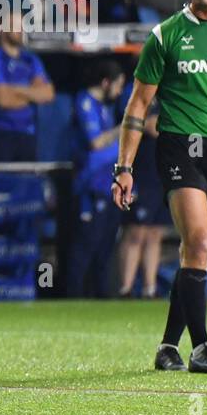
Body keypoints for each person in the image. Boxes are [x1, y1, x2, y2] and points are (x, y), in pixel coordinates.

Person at [113, 0, 207, 373]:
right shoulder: (166, 34)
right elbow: (137, 106)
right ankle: (201, 347)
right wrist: (124, 168)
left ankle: (168, 345)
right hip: (179, 146)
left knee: (197, 252)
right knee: (201, 241)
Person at [67, 59, 127, 297]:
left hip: (107, 183)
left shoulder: (104, 106)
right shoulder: (84, 102)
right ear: (105, 82)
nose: (120, 91)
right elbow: (96, 142)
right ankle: (71, 299)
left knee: (105, 247)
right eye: (118, 85)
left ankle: (100, 299)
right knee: (85, 246)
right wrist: (124, 128)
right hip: (90, 185)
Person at [115, 79, 167, 298]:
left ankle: (150, 288)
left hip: (163, 166)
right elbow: (135, 119)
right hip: (140, 166)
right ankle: (125, 288)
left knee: (156, 231)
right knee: (136, 230)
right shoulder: (134, 85)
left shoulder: (173, 85)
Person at [0, 10, 55, 161]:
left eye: (22, 25)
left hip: (28, 133)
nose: (20, 30)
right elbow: (3, 99)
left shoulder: (30, 59)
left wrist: (14, 90)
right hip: (0, 134)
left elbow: (48, 94)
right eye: (14, 26)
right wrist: (31, 94)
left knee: (27, 182)